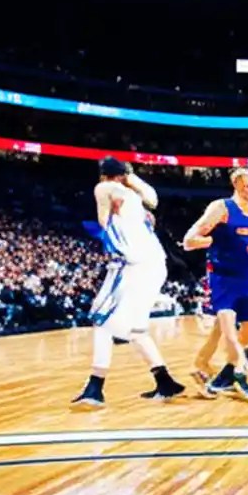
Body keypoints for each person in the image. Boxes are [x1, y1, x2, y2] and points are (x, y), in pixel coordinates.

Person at [73, 158, 184, 406]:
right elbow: (153, 198)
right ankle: (165, 381)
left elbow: (103, 221)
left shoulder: (105, 188)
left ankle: (95, 388)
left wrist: (111, 210)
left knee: (101, 320)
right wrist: (131, 177)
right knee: (136, 329)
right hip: (155, 266)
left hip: (131, 265)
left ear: (104, 175)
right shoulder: (140, 202)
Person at [183, 168, 248, 400]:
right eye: (247, 184)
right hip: (222, 276)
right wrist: (213, 239)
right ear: (237, 186)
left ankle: (203, 364)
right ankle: (238, 374)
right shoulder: (220, 208)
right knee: (229, 328)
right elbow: (189, 241)